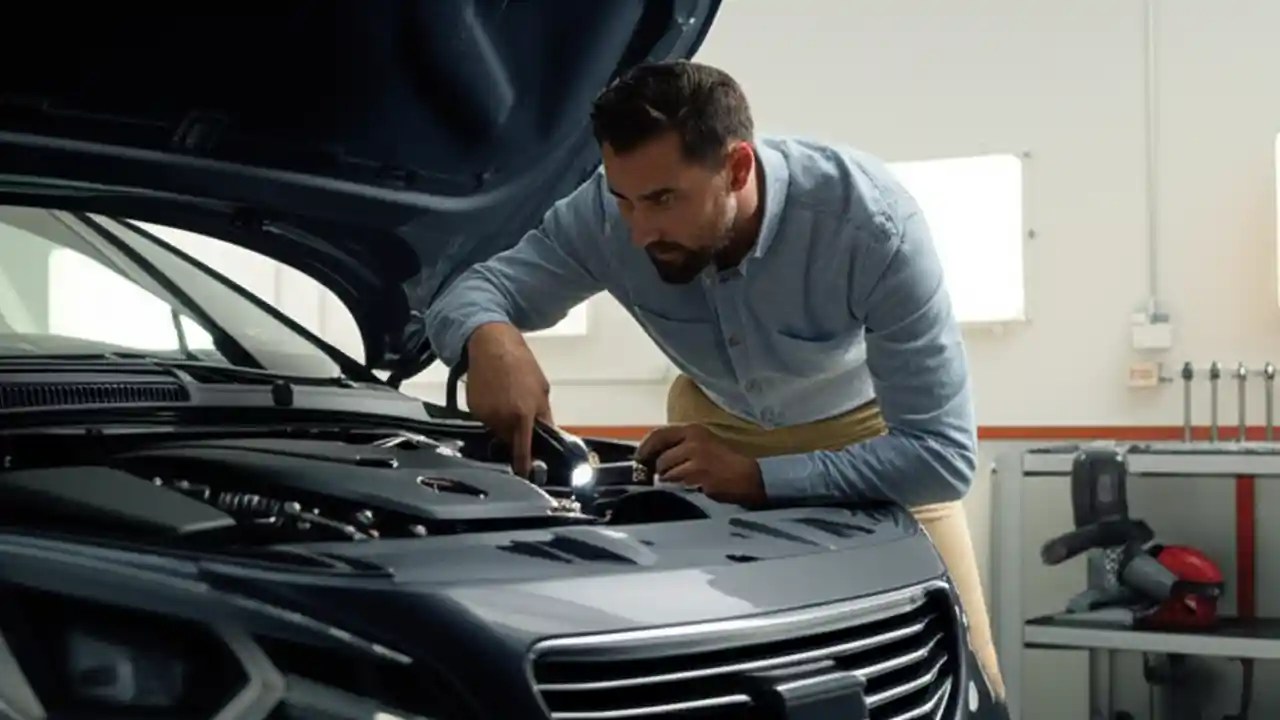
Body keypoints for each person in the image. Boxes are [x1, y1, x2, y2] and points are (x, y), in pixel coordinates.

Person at [420, 59, 1004, 699]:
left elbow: (940, 457)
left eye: (665, 200)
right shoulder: (607, 217)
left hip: (873, 444)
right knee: (714, 679)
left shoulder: (871, 225)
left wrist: (756, 476)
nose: (638, 232)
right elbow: (471, 290)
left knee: (966, 678)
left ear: (738, 169)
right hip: (712, 434)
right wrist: (489, 338)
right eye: (624, 199)